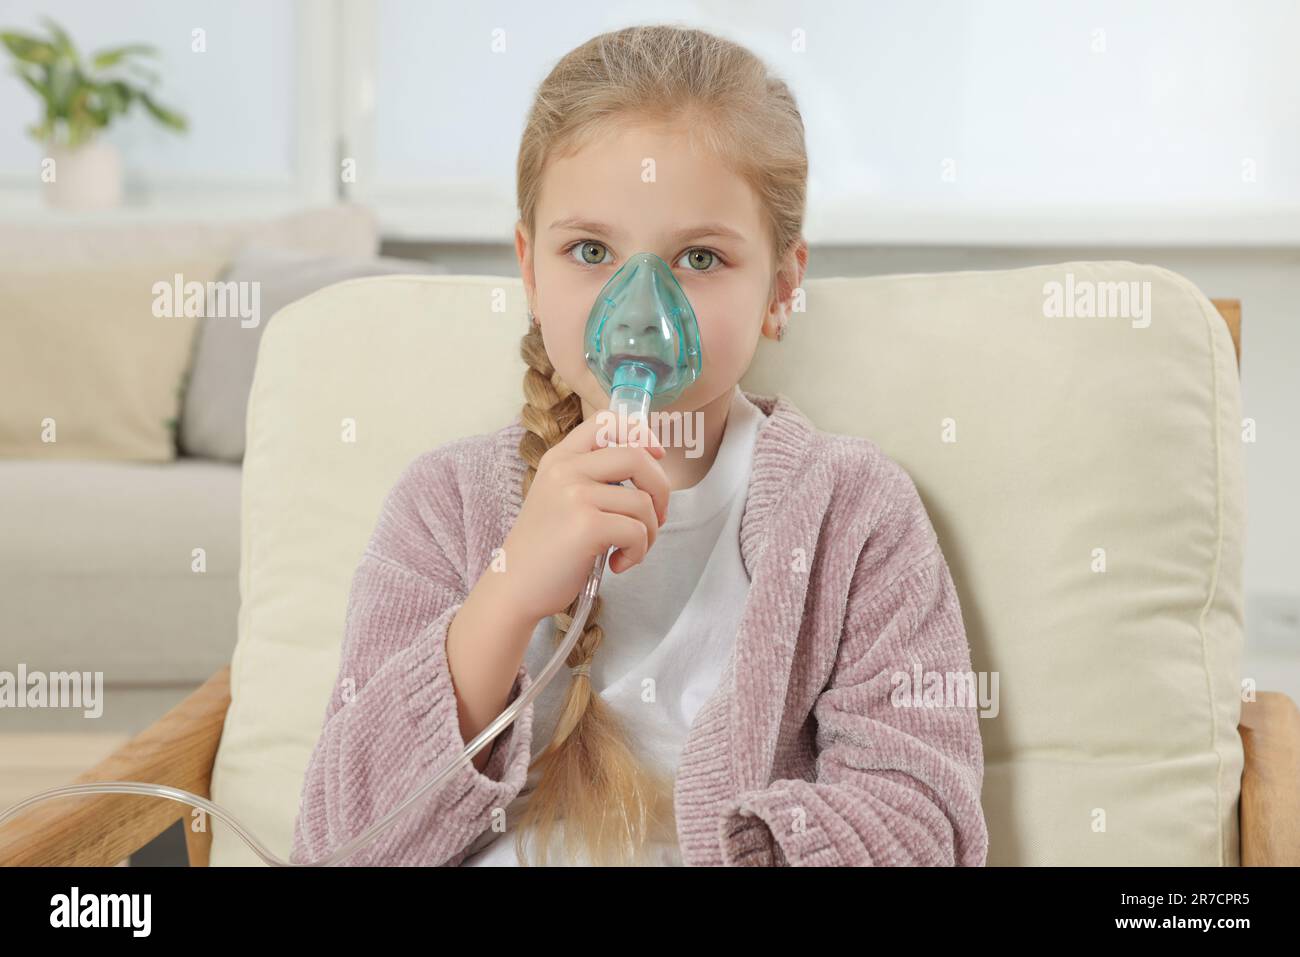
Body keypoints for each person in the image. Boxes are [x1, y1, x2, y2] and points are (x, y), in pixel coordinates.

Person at [291, 24, 988, 867]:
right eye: (591, 251)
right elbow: (341, 842)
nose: (641, 309)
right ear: (531, 269)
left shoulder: (853, 514)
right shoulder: (445, 506)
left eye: (699, 257)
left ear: (782, 288)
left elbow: (924, 825)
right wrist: (506, 597)